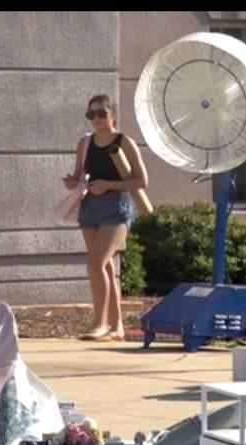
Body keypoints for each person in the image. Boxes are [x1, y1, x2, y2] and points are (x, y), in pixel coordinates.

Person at [63, 94, 147, 341]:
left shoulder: (124, 142)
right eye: (91, 115)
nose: (96, 119)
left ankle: (99, 323)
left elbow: (141, 181)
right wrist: (72, 182)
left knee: (96, 262)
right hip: (90, 207)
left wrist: (108, 184)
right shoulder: (85, 143)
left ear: (113, 115)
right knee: (105, 266)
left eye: (101, 113)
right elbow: (79, 176)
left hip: (116, 206)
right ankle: (116, 327)